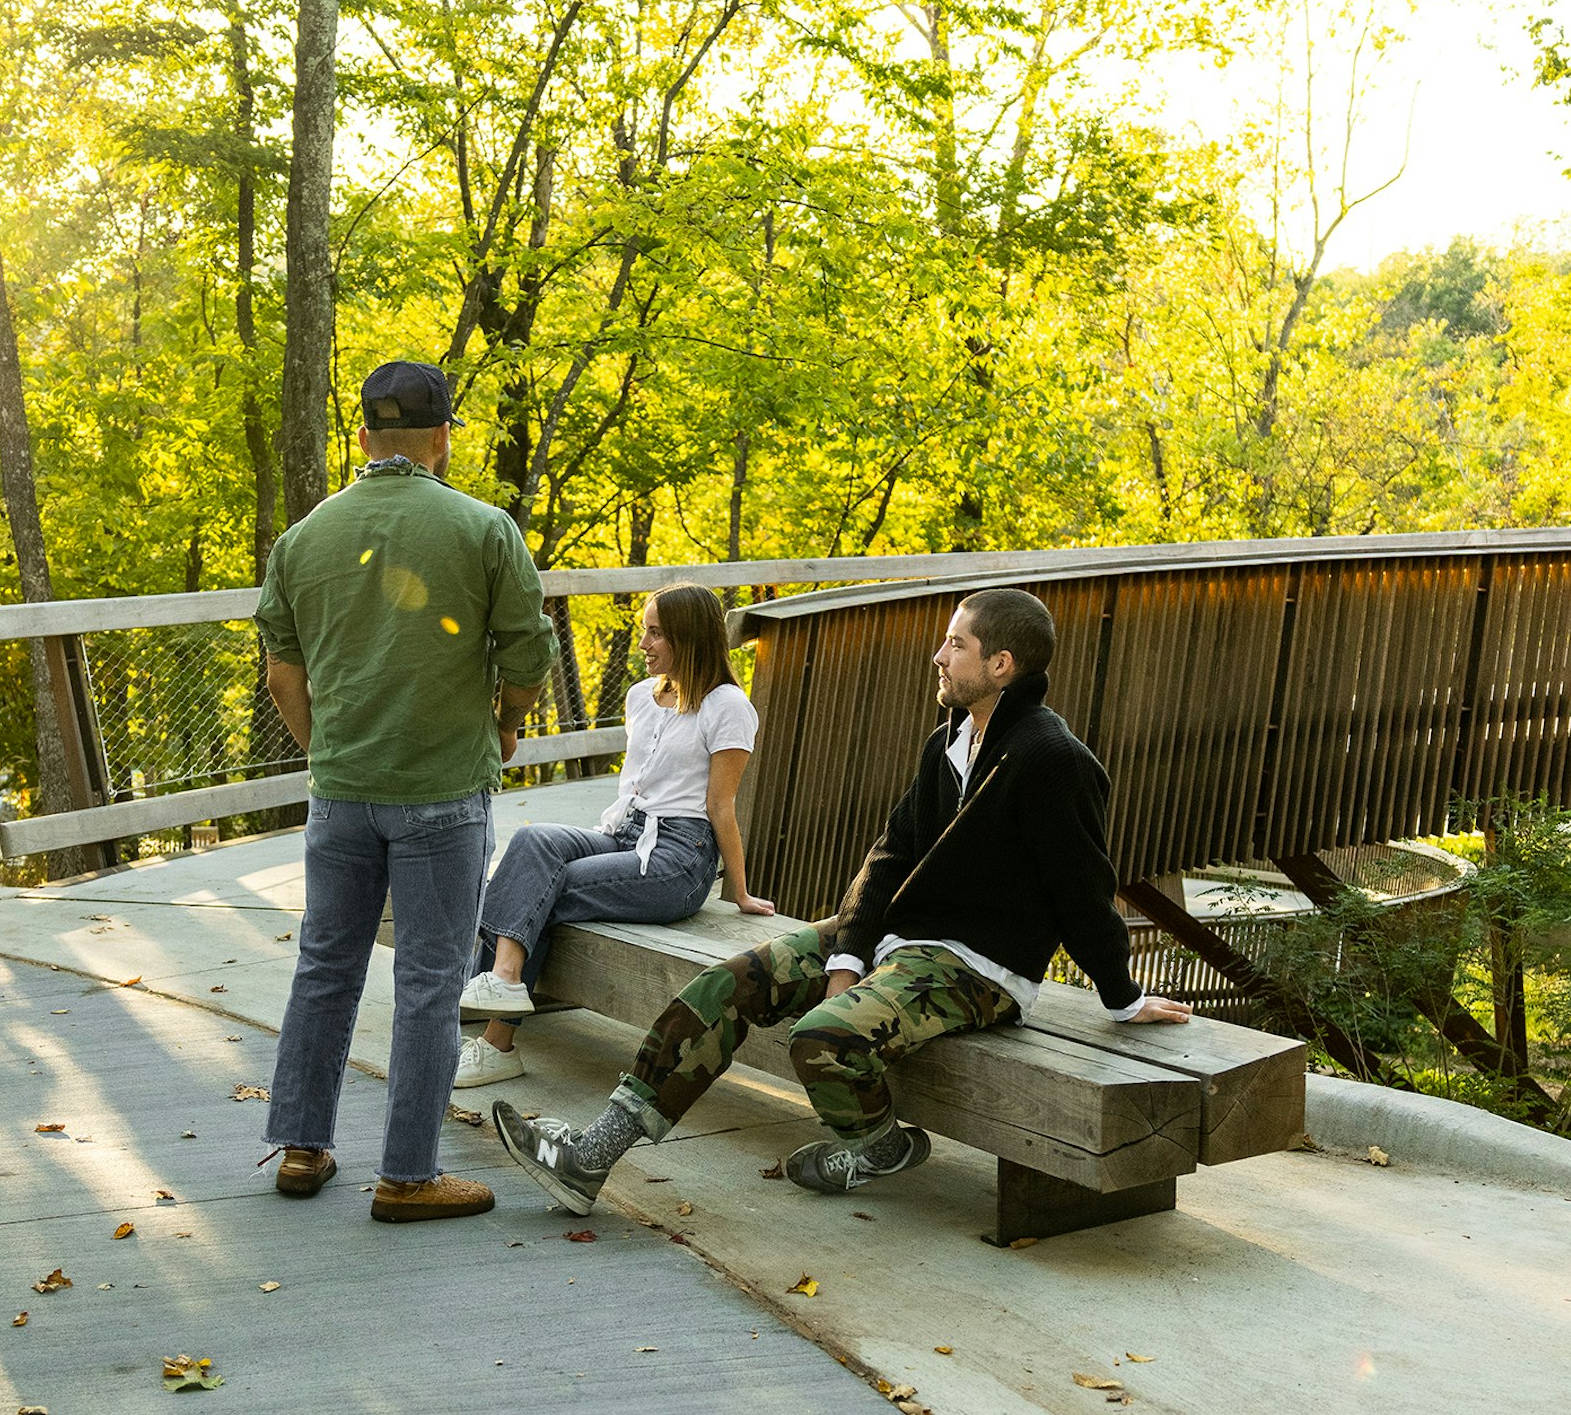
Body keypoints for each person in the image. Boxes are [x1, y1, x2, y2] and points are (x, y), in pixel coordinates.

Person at [491, 584, 1191, 1214]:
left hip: (977, 968)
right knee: (721, 987)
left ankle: (879, 1144)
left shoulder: (1052, 759)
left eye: (957, 643)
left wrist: (1122, 995)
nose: (938, 655)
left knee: (822, 1037)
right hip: (897, 937)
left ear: (1001, 665)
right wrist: (851, 951)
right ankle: (591, 1158)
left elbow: (1083, 885)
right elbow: (889, 854)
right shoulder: (947, 742)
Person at [255, 359, 555, 1221]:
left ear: (361, 439)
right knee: (428, 980)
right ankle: (408, 1176)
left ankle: (302, 1147)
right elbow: (528, 652)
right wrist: (505, 724)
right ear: (441, 437)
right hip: (442, 792)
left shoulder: (303, 539)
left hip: (341, 790)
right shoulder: (483, 529)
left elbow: (283, 673)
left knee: (325, 965)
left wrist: (329, 754)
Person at [453, 586, 773, 1091]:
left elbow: (720, 806)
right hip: (623, 835)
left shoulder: (727, 705)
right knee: (535, 843)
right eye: (643, 630)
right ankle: (503, 981)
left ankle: (496, 1042)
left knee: (552, 886)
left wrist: (737, 890)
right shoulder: (642, 697)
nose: (643, 644)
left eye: (656, 633)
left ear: (688, 638)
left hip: (677, 859)